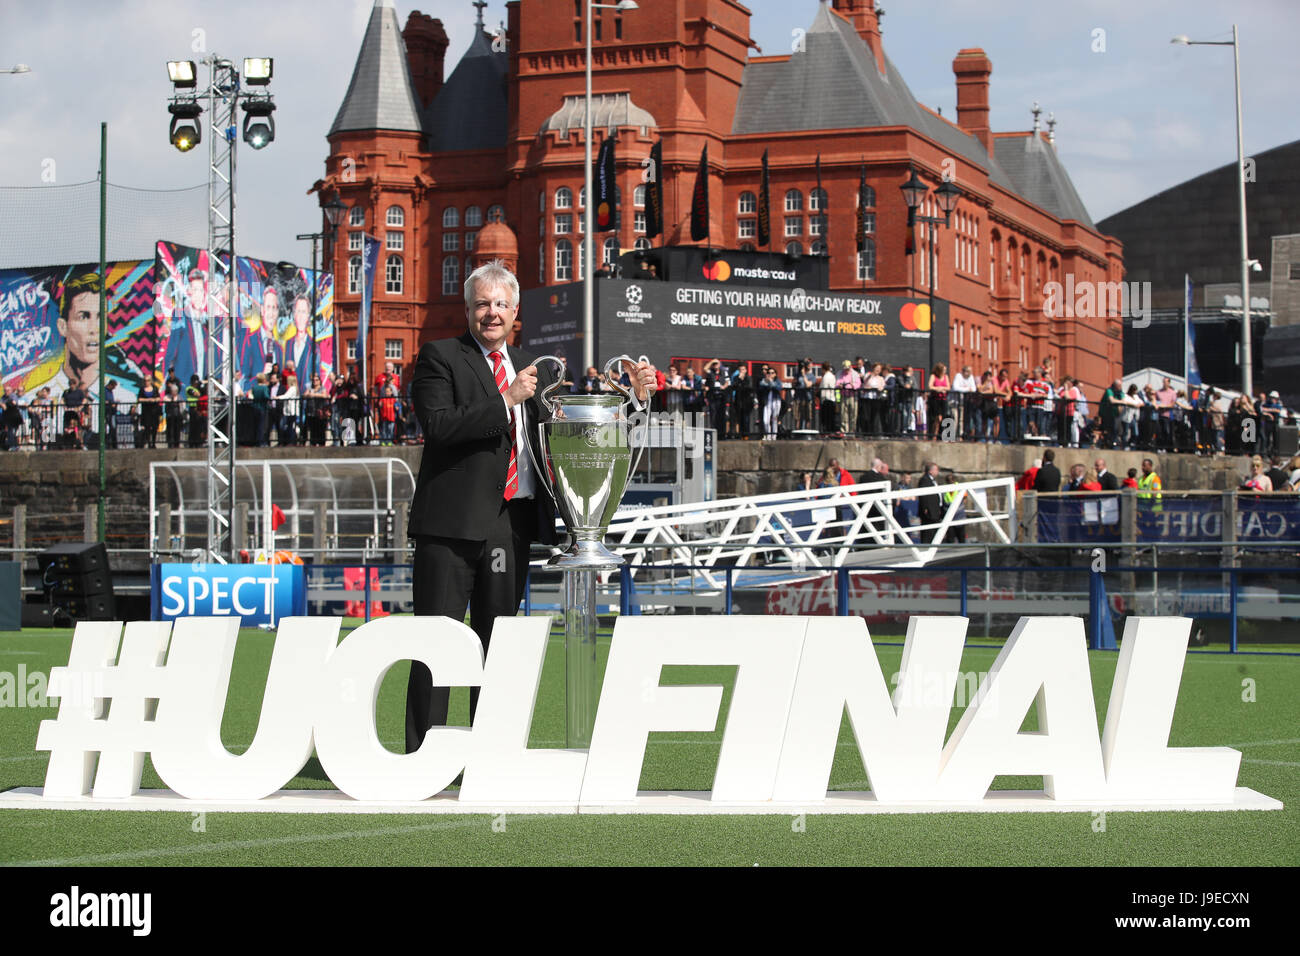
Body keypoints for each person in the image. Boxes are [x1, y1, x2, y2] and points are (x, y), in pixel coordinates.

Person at [404, 260, 653, 754]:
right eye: (482, 304)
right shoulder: (441, 356)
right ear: (469, 309)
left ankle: (487, 753)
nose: (491, 313)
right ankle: (424, 757)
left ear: (516, 311)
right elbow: (439, 426)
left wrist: (633, 402)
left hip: (510, 523)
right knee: (437, 643)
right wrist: (507, 397)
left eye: (500, 304)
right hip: (450, 528)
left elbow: (573, 431)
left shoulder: (531, 366)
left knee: (497, 645)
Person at [916, 461, 942, 543]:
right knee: (928, 531)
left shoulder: (933, 480)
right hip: (929, 511)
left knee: (934, 530)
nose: (937, 472)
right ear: (930, 471)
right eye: (936, 470)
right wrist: (925, 508)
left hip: (935, 510)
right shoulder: (924, 480)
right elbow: (923, 496)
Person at [757, 366, 783, 439]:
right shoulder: (764, 380)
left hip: (776, 401)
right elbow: (761, 385)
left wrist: (770, 382)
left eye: (772, 373)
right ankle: (768, 435)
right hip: (767, 402)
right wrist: (767, 381)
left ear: (775, 374)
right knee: (765, 420)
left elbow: (778, 387)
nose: (770, 374)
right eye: (769, 373)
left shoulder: (777, 381)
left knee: (774, 419)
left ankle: (774, 436)